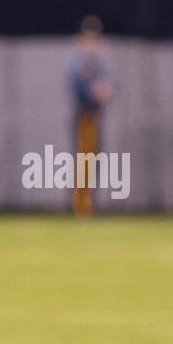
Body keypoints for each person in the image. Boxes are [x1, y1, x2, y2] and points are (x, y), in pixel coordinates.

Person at [68, 16, 111, 216]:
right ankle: (80, 204)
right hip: (84, 114)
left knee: (91, 159)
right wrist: (94, 90)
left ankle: (87, 202)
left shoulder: (96, 62)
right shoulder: (79, 62)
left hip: (93, 115)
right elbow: (80, 87)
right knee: (83, 157)